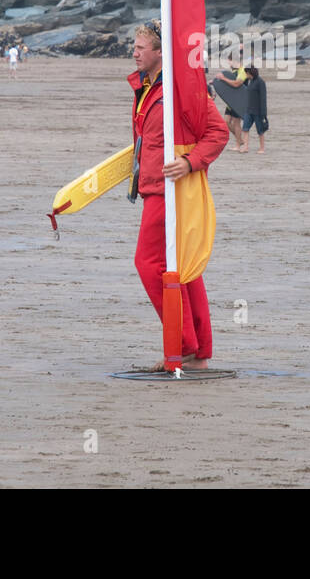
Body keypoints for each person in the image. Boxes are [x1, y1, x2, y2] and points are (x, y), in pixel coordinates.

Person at [129, 21, 229, 371]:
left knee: (149, 263)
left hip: (170, 189)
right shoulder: (149, 87)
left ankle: (184, 346)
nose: (135, 52)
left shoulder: (180, 89)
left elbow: (218, 133)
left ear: (160, 52)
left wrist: (190, 163)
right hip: (155, 186)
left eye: (142, 47)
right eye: (135, 46)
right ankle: (198, 352)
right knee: (182, 267)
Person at [213, 59, 249, 151]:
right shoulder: (234, 71)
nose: (229, 64)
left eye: (230, 61)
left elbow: (237, 84)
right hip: (230, 102)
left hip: (239, 101)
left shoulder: (243, 71)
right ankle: (240, 139)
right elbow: (228, 84)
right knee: (226, 122)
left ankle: (238, 145)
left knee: (236, 123)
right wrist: (216, 82)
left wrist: (223, 79)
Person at [239, 66, 269, 153]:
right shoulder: (250, 81)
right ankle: (245, 147)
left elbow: (263, 98)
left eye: (246, 73)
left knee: (260, 130)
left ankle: (262, 148)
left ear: (249, 73)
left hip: (258, 111)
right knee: (245, 128)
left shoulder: (260, 82)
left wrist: (263, 113)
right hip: (248, 110)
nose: (245, 74)